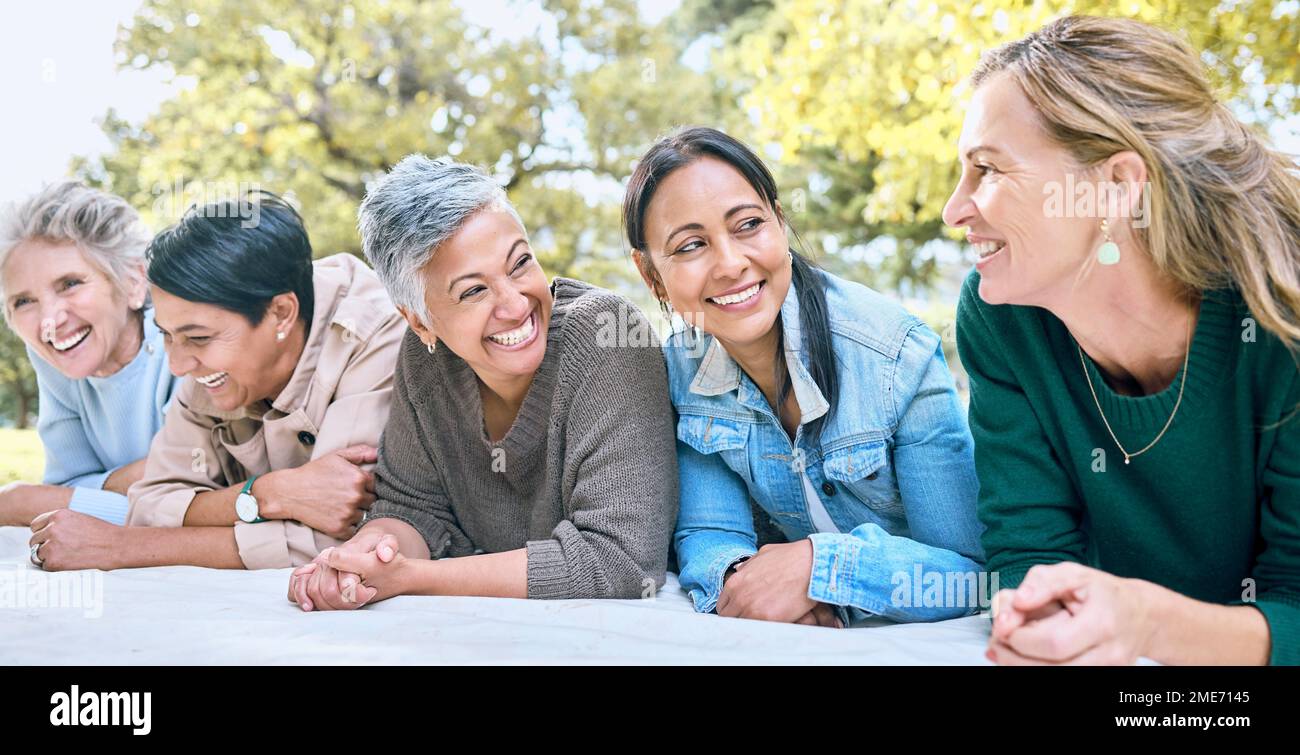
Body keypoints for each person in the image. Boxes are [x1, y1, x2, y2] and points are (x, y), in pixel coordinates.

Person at [946, 16, 1300, 665]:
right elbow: (1027, 550)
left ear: (1114, 186)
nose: (954, 209)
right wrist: (1041, 623)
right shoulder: (1000, 316)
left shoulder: (1283, 322)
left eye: (987, 169)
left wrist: (1147, 624)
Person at [626, 127, 985, 627]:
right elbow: (711, 534)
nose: (731, 264)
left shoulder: (894, 354)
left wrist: (823, 568)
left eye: (748, 224)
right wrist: (743, 583)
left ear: (778, 218)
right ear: (650, 274)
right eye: (690, 246)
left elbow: (971, 576)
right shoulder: (681, 368)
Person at [287, 155, 678, 610]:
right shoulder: (425, 359)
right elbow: (411, 510)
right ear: (421, 323)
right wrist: (364, 558)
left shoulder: (607, 337)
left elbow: (620, 559)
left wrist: (413, 577)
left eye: (519, 264)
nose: (514, 305)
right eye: (473, 291)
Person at [28, 192, 405, 571]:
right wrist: (268, 495)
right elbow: (150, 501)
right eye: (167, 335)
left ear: (282, 313)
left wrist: (121, 548)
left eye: (198, 338)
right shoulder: (208, 357)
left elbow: (337, 538)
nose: (178, 365)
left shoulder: (372, 335)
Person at [0, 180, 175, 528]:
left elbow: (203, 486)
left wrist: (26, 502)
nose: (50, 321)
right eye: (24, 301)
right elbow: (66, 485)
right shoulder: (54, 355)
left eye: (70, 284)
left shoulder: (183, 338)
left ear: (133, 282)